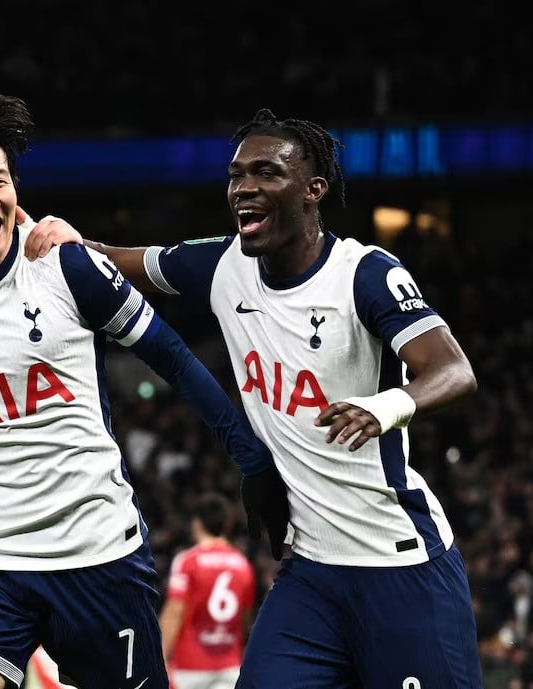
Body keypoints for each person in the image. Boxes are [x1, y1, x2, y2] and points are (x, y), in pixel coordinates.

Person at [0, 67, 281, 689]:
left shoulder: (64, 267)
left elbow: (174, 358)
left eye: (0, 181)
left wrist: (252, 457)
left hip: (99, 556)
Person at [35, 108, 483, 688]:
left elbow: (454, 370)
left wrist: (384, 405)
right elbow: (121, 263)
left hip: (400, 565)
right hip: (310, 576)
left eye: (267, 173)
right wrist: (58, 237)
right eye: (236, 175)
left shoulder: (365, 273)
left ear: (313, 190)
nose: (244, 187)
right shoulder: (225, 266)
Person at [158, 493, 255, 689]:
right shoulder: (243, 564)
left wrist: (158, 660)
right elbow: (245, 619)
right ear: (226, 525)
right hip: (230, 666)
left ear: (197, 523)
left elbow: (174, 612)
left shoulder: (188, 561)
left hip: (190, 667)